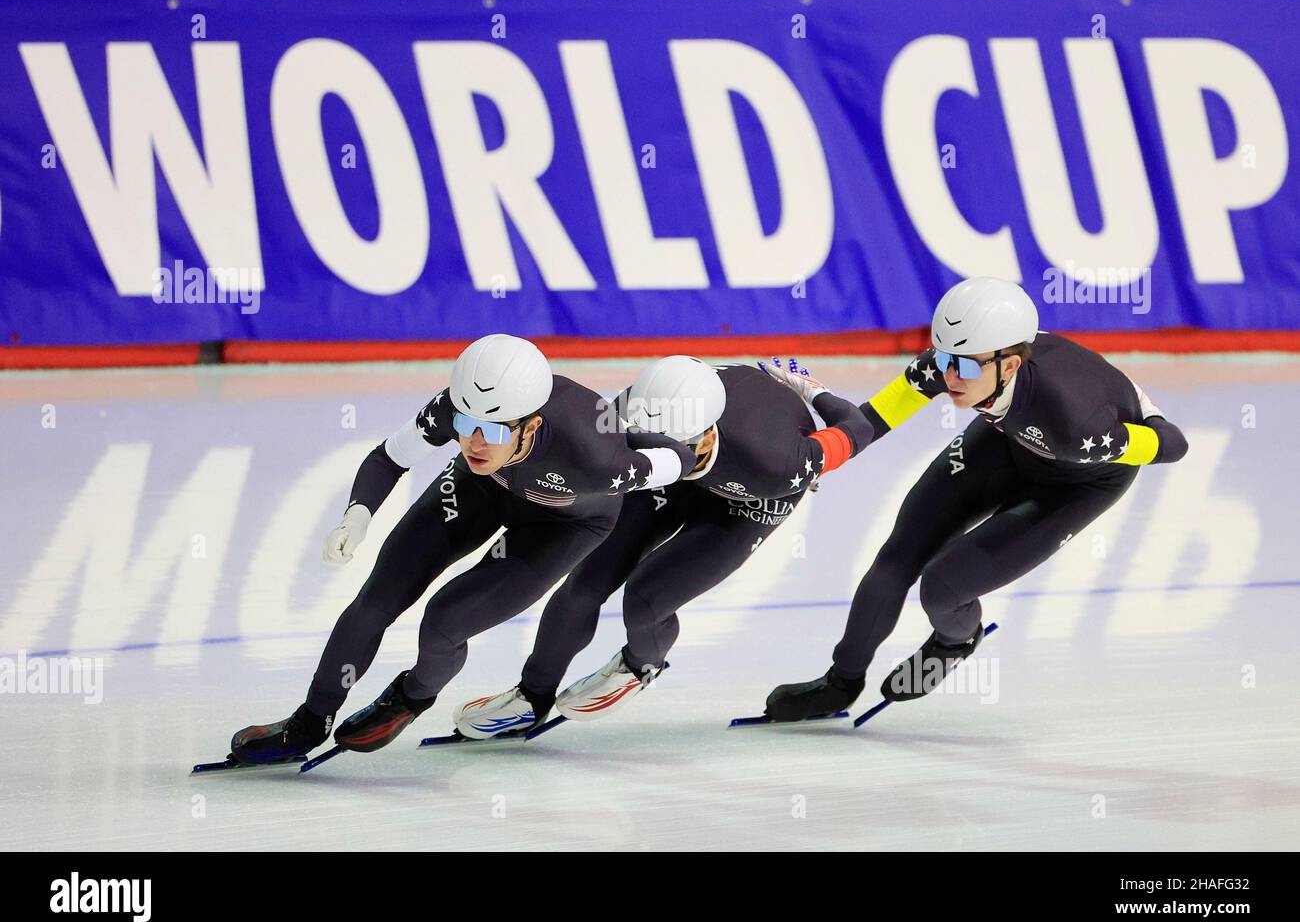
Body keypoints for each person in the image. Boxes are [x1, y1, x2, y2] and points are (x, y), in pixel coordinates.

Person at [227, 334, 696, 763]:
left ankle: (409, 698)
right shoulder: (455, 413)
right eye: (466, 423)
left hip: (565, 524)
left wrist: (674, 445)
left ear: (530, 427)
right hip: (480, 490)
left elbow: (680, 457)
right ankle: (310, 721)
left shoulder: (594, 453)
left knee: (444, 622)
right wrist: (358, 514)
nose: (473, 440)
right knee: (377, 599)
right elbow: (388, 457)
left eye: (491, 431)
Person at [764, 277, 1190, 721]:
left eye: (964, 367)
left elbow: (1173, 444)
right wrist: (812, 457)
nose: (948, 377)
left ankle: (955, 641)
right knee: (899, 555)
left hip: (1077, 481)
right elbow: (873, 421)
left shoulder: (1073, 424)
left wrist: (1144, 411)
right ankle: (840, 682)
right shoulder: (962, 359)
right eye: (944, 359)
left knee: (943, 587)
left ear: (1008, 367)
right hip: (1008, 444)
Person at [452, 355, 873, 739]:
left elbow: (859, 429)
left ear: (705, 440)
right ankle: (533, 694)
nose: (664, 457)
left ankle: (641, 665)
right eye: (654, 445)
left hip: (752, 492)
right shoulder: (632, 410)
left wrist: (813, 390)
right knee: (586, 579)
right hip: (683, 473)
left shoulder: (777, 462)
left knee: (647, 599)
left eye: (676, 450)